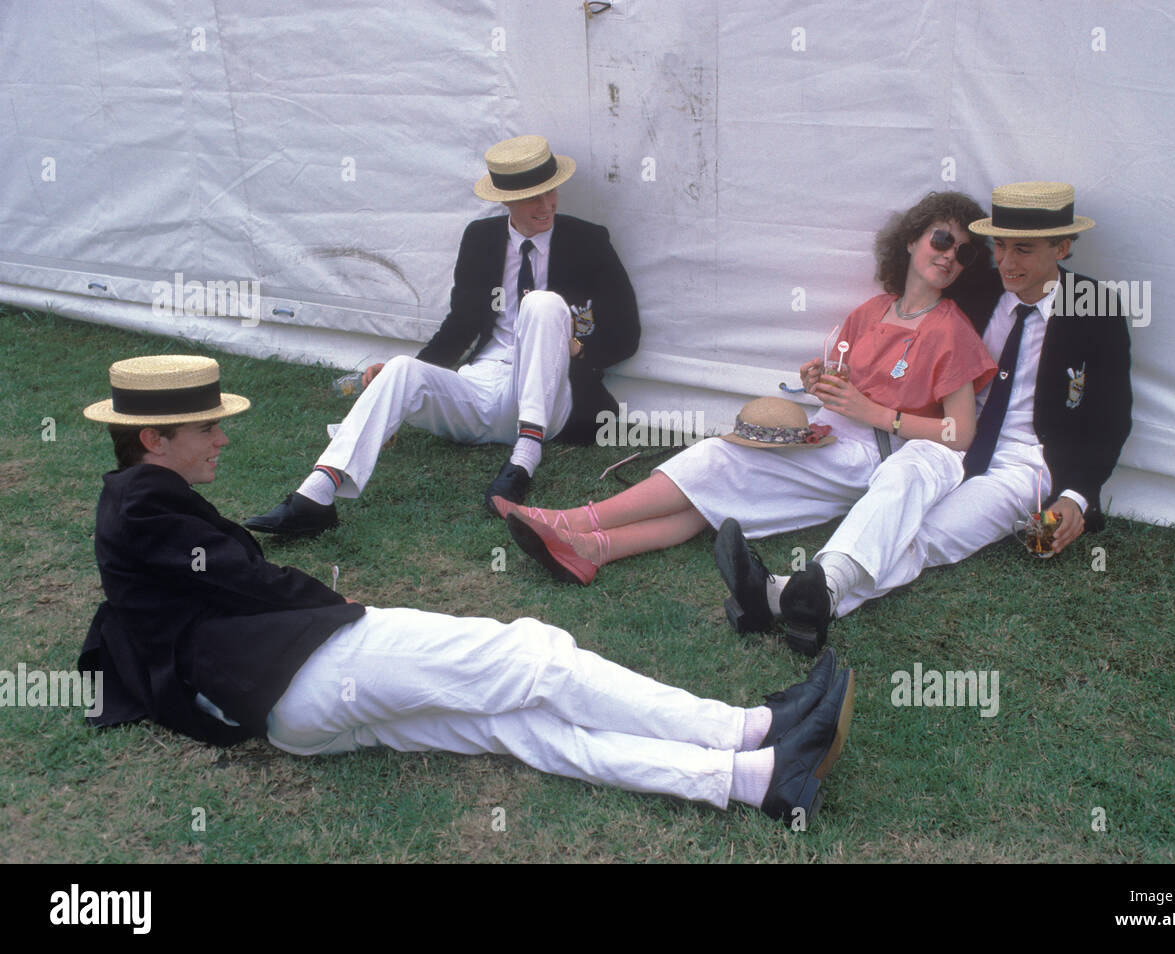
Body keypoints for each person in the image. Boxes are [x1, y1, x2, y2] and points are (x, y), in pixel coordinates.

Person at [78, 355, 852, 826]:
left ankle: (749, 782)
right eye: (206, 427)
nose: (220, 437)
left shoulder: (131, 500)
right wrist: (337, 607)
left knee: (514, 729)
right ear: (154, 439)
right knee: (535, 659)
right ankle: (745, 727)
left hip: (289, 711)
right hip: (305, 670)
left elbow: (155, 605)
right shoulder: (146, 504)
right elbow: (245, 579)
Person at [496, 191, 999, 654]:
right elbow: (846, 379)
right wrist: (816, 378)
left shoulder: (950, 330)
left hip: (881, 452)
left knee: (723, 465)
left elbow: (961, 434)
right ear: (911, 240)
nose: (950, 254)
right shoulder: (870, 312)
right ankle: (590, 547)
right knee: (721, 472)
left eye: (965, 253)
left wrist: (874, 413)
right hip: (828, 437)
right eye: (941, 239)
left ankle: (571, 520)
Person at [718, 181, 1133, 648]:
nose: (1007, 263)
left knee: (927, 535)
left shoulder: (1094, 309)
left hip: (1022, 463)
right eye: (998, 247)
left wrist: (1076, 496)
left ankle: (785, 594)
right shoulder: (975, 291)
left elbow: (1110, 418)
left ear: (1063, 246)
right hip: (949, 439)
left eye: (1024, 250)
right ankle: (809, 597)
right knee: (900, 478)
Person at [244, 134, 640, 533]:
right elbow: (461, 325)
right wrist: (405, 386)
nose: (545, 205)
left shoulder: (588, 240)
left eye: (550, 192)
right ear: (504, 199)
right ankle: (316, 496)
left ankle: (523, 461)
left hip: (553, 396)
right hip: (483, 386)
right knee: (400, 369)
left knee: (542, 303)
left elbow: (627, 332)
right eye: (530, 197)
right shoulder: (481, 238)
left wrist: (576, 348)